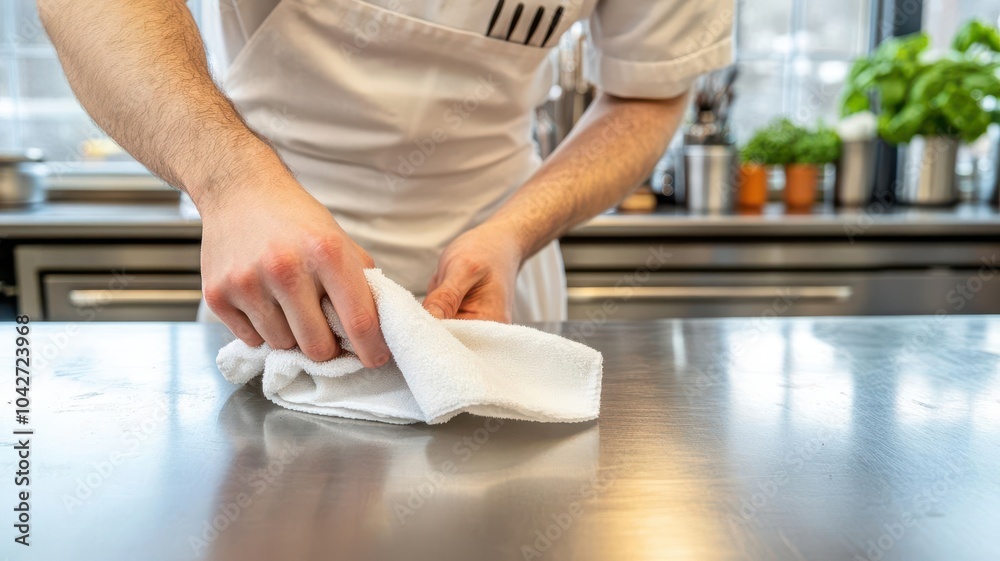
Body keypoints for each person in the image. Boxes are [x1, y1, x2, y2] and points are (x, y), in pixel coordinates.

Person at [39, 0, 732, 367]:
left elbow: (649, 90)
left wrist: (512, 232)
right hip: (266, 267)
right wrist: (233, 185)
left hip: (499, 255)